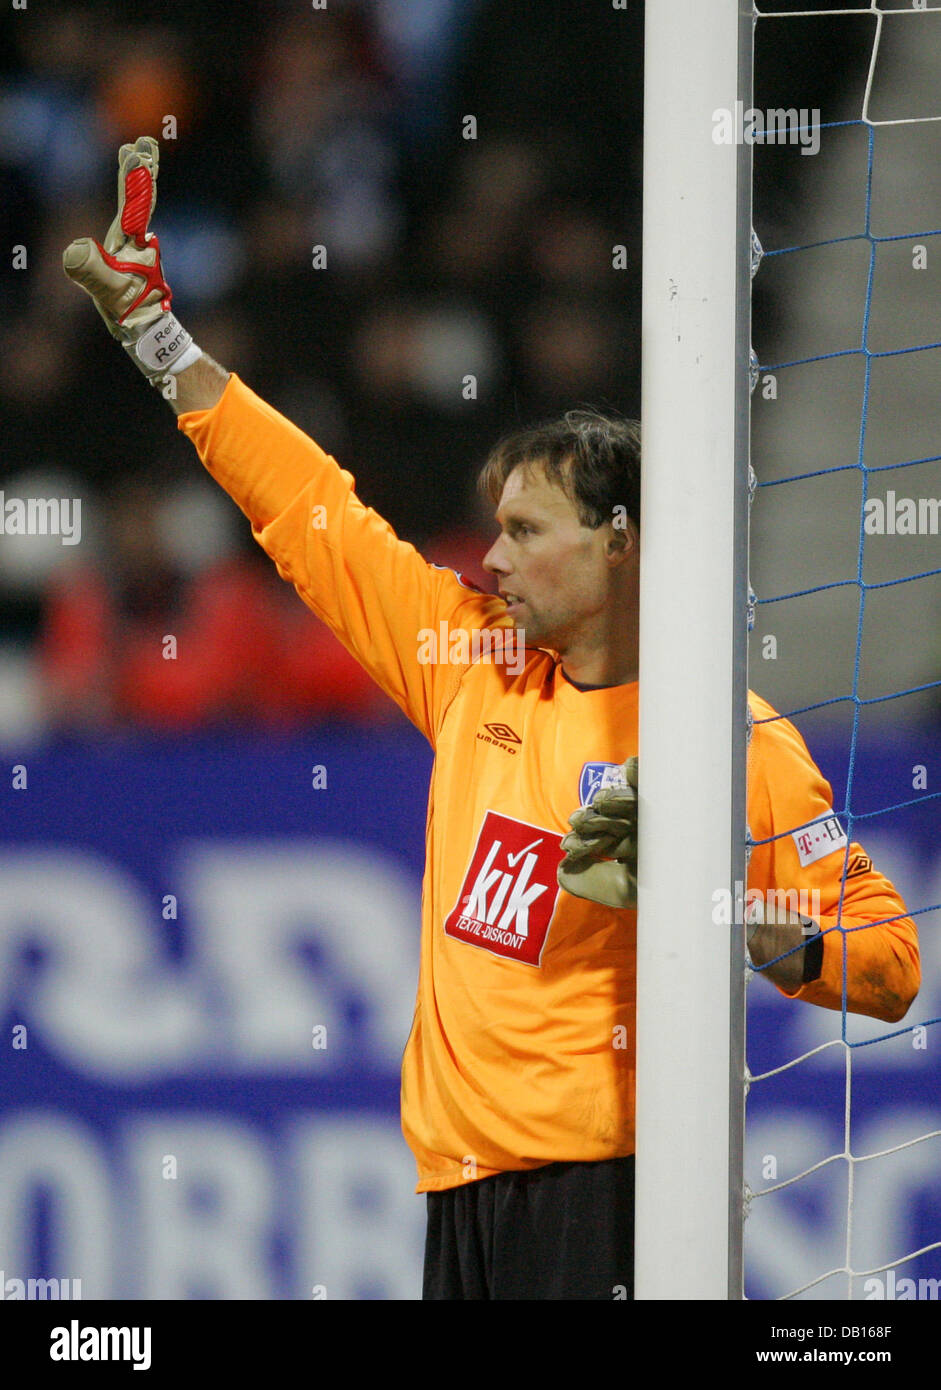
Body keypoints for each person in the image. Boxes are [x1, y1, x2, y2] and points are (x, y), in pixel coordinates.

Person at [63, 139, 920, 1300]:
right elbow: (311, 511)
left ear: (620, 542)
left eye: (525, 531)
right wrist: (158, 340)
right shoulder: (469, 662)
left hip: (607, 1188)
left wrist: (728, 903)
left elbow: (889, 966)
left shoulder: (729, 741)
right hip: (457, 1185)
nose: (492, 557)